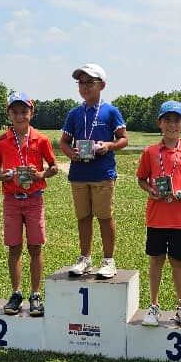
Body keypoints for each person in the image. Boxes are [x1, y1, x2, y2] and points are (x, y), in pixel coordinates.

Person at [136, 100, 181, 329]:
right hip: (156, 216)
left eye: (176, 120)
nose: (172, 124)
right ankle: (153, 306)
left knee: (178, 263)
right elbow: (141, 179)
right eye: (167, 120)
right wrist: (150, 190)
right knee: (156, 261)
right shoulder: (150, 151)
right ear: (159, 123)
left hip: (180, 219)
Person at [0, 92, 59, 316]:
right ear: (8, 113)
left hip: (34, 200)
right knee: (14, 247)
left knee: (35, 247)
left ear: (31, 112)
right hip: (11, 200)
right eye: (15, 111)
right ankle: (16, 293)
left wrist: (40, 174)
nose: (20, 116)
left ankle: (35, 293)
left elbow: (53, 167)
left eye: (24, 111)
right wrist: (1, 175)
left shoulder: (41, 140)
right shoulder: (1, 141)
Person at [59, 63, 128, 279]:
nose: (85, 86)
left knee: (105, 217)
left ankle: (108, 261)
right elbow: (63, 142)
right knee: (83, 217)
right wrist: (72, 154)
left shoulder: (111, 111)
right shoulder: (74, 113)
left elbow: (123, 139)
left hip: (103, 173)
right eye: (81, 82)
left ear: (102, 85)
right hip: (79, 174)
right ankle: (85, 259)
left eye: (90, 82)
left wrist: (108, 146)